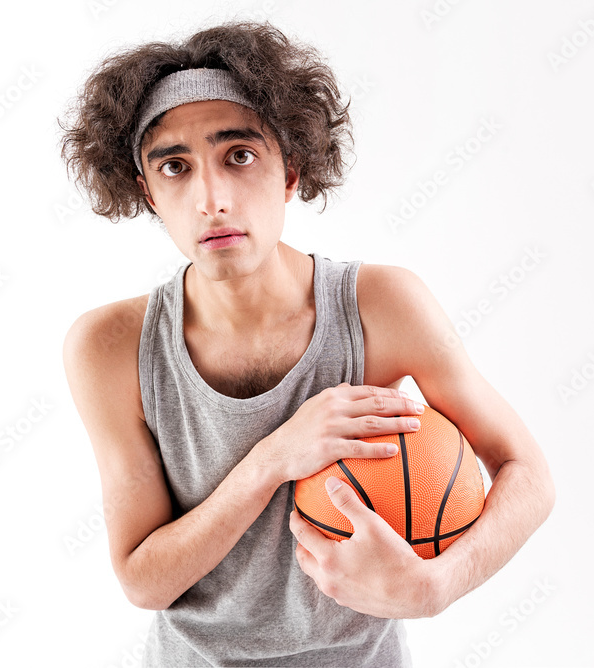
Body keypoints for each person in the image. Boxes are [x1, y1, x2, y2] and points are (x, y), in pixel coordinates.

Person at [58, 20, 555, 667]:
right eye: (176, 167)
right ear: (149, 191)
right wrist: (272, 459)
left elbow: (529, 473)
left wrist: (437, 587)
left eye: (238, 155)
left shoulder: (381, 307)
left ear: (291, 171)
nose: (211, 198)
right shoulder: (111, 347)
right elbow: (143, 578)